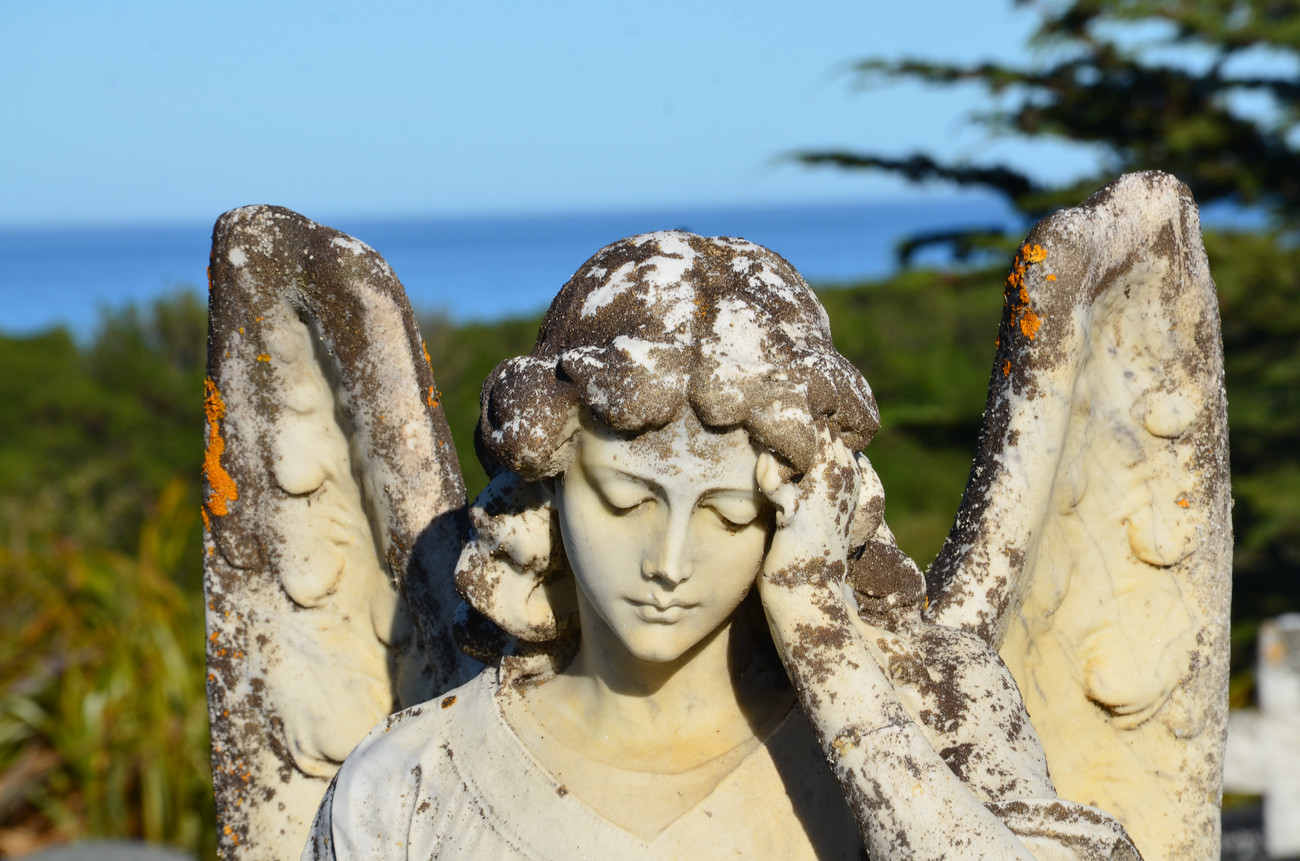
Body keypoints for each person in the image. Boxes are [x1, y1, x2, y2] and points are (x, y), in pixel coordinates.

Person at [303, 232, 1140, 860]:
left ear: (801, 511)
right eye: (626, 499)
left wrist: (825, 637)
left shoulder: (924, 715)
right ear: (547, 485)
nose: (668, 560)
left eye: (730, 515)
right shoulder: (411, 781)